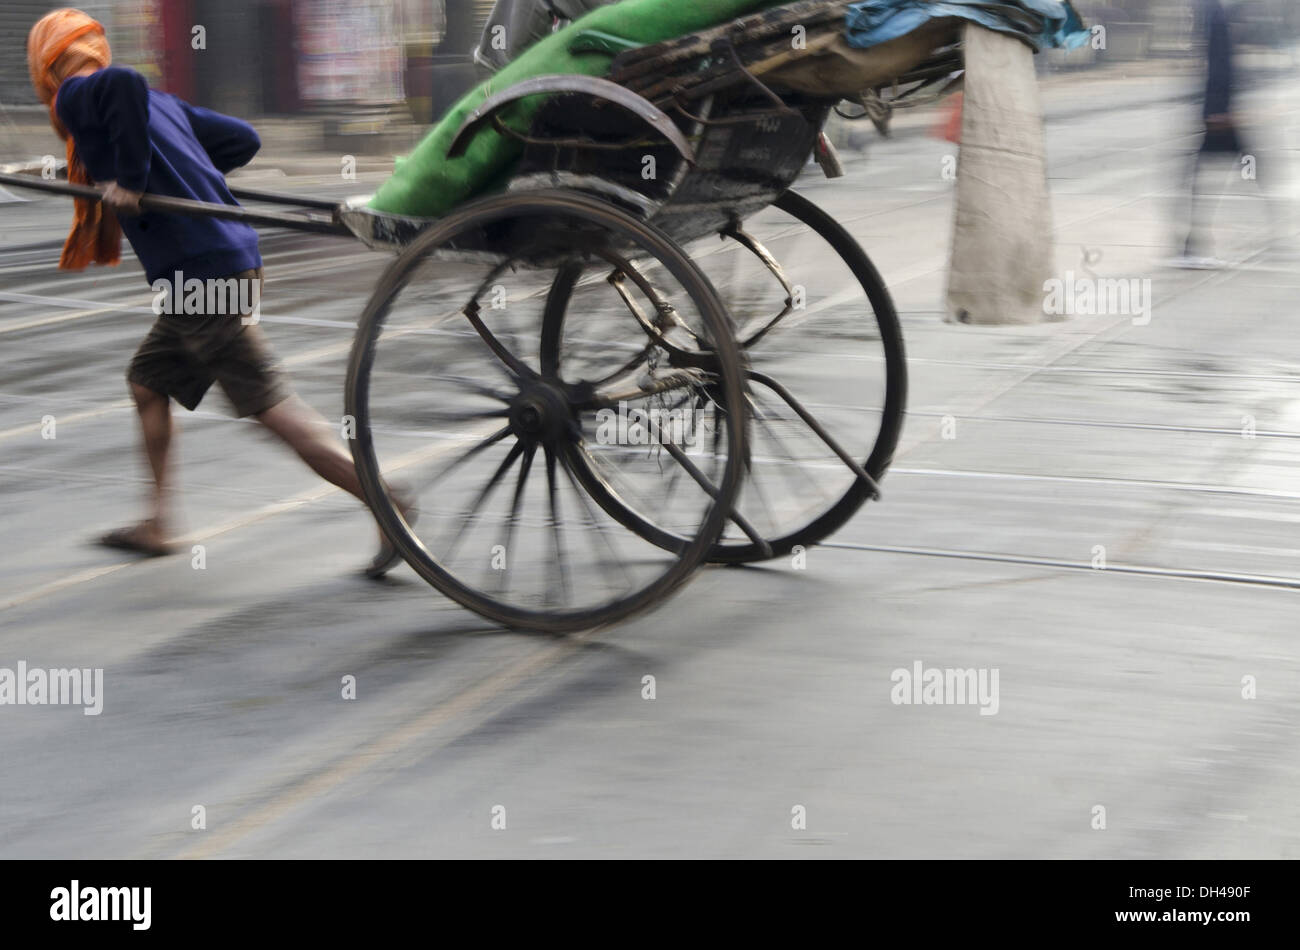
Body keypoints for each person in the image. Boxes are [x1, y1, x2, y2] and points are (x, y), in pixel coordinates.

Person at [27, 8, 411, 576]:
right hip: (226, 263)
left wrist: (134, 181)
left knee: (270, 407)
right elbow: (243, 138)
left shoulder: (78, 95)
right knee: (147, 382)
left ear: (49, 66)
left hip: (200, 275)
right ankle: (159, 522)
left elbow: (124, 83)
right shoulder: (162, 105)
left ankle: (384, 500)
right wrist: (181, 169)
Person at [1173, 0, 1269, 268]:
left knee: (1205, 177)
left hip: (1220, 111)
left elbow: (1218, 61)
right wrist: (1218, 109)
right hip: (1221, 114)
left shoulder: (1213, 11)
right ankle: (1191, 247)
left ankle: (1190, 245)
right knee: (1246, 169)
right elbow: (1219, 62)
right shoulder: (1214, 12)